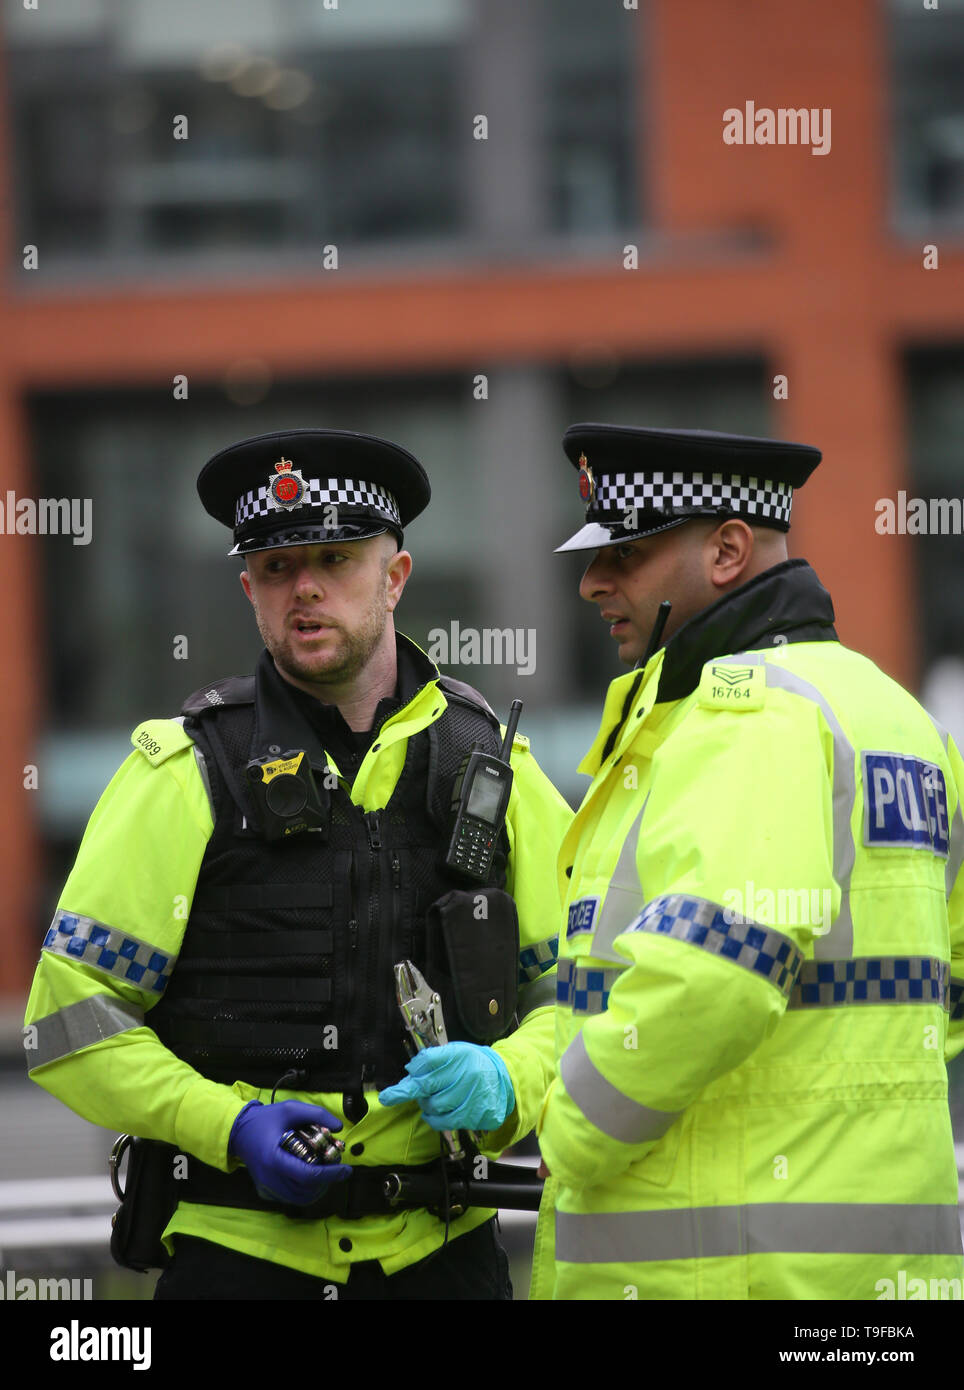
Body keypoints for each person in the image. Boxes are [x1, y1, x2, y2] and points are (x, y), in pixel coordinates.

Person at [24, 428, 571, 1301]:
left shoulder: (497, 770)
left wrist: (512, 1079)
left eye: (336, 559)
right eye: (277, 568)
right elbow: (64, 1023)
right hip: (235, 1264)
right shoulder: (182, 770)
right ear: (249, 590)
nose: (304, 588)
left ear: (395, 579)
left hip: (443, 1263)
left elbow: (591, 998)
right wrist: (229, 1126)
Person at [530, 423, 964, 1301]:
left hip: (731, 1272)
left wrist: (570, 1134)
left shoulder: (744, 714)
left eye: (628, 552)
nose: (591, 582)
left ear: (728, 550)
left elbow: (712, 982)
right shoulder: (893, 713)